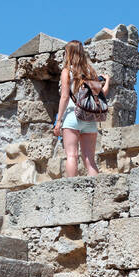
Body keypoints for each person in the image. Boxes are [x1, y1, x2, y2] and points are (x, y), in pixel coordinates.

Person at [53, 41, 111, 177]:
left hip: (73, 116)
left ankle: (71, 189)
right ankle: (97, 189)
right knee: (89, 158)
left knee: (72, 155)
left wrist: (59, 120)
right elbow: (102, 95)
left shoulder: (67, 72)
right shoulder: (91, 71)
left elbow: (64, 97)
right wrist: (107, 81)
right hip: (90, 118)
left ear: (69, 53)